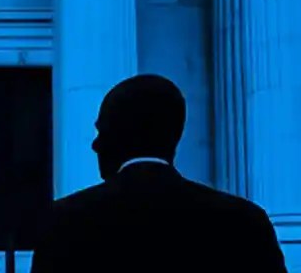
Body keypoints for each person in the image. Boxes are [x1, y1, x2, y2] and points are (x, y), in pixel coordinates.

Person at [29, 74, 286, 272]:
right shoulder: (245, 222)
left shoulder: (64, 221)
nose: (95, 144)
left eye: (102, 130)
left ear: (122, 134)